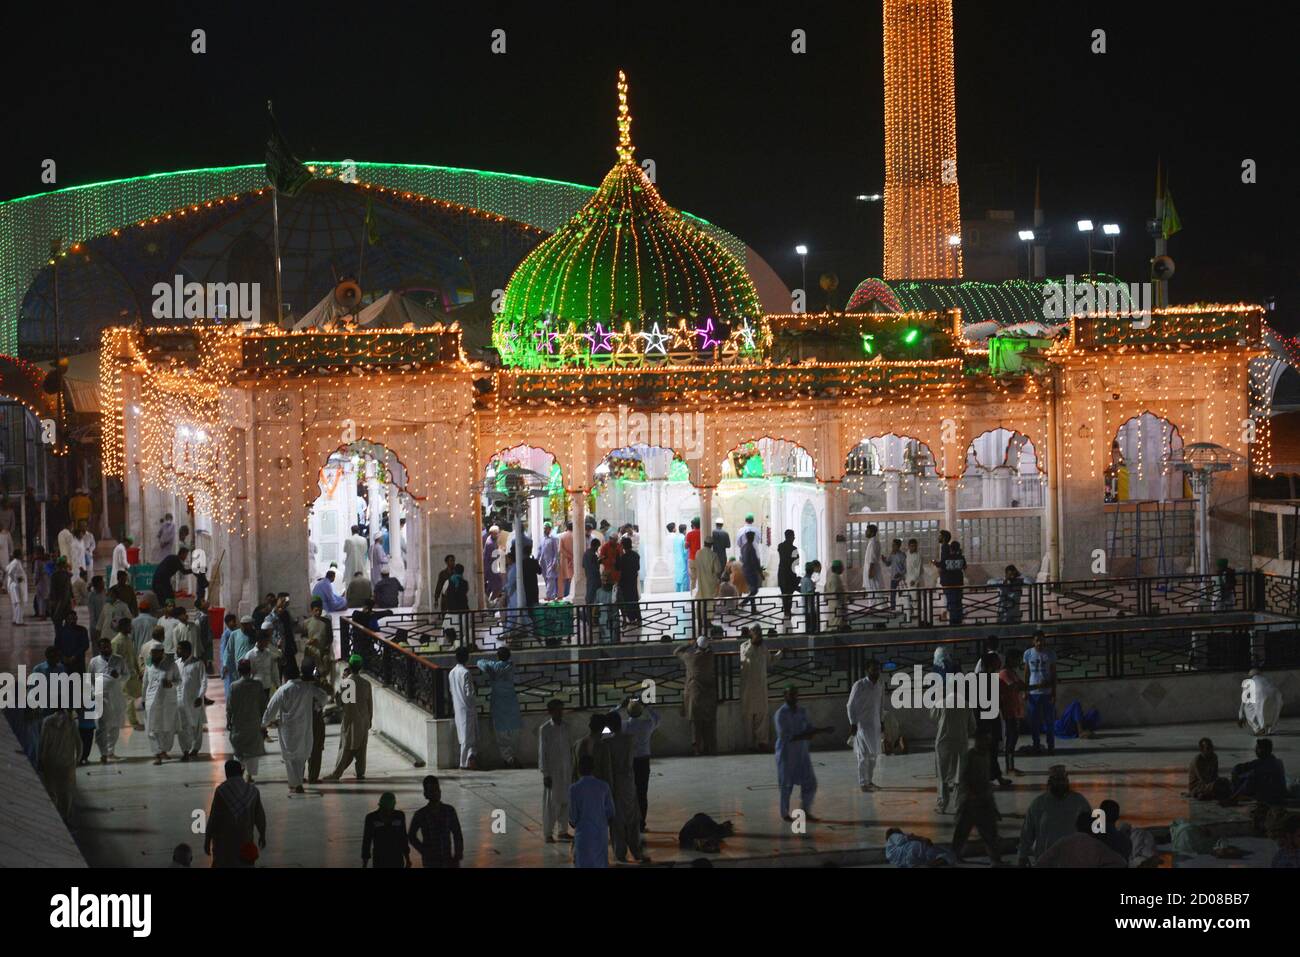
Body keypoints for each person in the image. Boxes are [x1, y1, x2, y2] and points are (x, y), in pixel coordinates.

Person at [262, 658, 329, 793]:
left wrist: (264, 723)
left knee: (290, 757)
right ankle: (297, 783)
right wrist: (317, 706)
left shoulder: (283, 690)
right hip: (305, 727)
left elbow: (270, 709)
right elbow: (323, 697)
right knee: (301, 755)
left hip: (288, 729)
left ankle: (296, 784)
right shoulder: (307, 687)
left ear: (285, 676)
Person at [775, 686, 831, 821]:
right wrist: (807, 735)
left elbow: (808, 728)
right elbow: (786, 736)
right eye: (791, 694)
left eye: (795, 695)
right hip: (786, 754)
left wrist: (822, 730)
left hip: (802, 753)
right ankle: (785, 813)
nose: (794, 697)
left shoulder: (802, 711)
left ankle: (805, 810)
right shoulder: (781, 714)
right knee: (786, 784)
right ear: (785, 695)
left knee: (810, 782)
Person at [1017, 765, 1092, 865]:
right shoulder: (1039, 804)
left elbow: (1091, 829)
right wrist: (1022, 855)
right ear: (1050, 781)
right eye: (1057, 780)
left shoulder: (1079, 802)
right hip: (1047, 860)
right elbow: (1027, 832)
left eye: (1063, 779)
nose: (1061, 783)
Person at [950, 728, 1002, 864]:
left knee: (990, 832)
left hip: (984, 799)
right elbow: (964, 778)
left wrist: (991, 802)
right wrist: (970, 795)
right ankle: (954, 855)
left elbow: (985, 779)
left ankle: (995, 860)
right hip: (971, 801)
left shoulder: (986, 755)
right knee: (962, 831)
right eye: (984, 740)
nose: (987, 743)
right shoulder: (970, 756)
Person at [603, 711, 647, 862]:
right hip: (629, 782)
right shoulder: (630, 739)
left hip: (616, 783)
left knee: (618, 821)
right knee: (632, 818)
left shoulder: (607, 743)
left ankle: (620, 853)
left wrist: (605, 728)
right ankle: (636, 850)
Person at [205, 759, 267, 867]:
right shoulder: (252, 791)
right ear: (241, 772)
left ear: (227, 773)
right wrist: (262, 834)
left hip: (224, 843)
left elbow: (214, 818)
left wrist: (207, 839)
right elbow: (260, 817)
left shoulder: (222, 791)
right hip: (245, 840)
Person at [931, 673, 977, 813]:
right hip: (960, 743)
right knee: (959, 775)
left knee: (942, 775)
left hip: (943, 743)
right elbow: (973, 727)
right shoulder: (967, 705)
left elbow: (933, 718)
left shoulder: (940, 703)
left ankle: (942, 805)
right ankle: (959, 806)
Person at [326, 655, 373, 781]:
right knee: (362, 749)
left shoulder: (346, 683)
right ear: (360, 667)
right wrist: (370, 720)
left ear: (350, 667)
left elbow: (341, 703)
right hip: (363, 720)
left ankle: (336, 774)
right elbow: (370, 704)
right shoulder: (366, 684)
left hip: (350, 720)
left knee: (346, 747)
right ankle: (360, 772)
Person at [477, 646, 522, 767]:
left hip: (498, 702)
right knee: (512, 730)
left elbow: (480, 662)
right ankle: (511, 757)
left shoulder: (494, 666)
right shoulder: (512, 666)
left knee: (501, 732)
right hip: (511, 701)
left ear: (498, 657)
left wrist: (491, 666)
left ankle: (508, 758)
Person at [620, 698, 660, 832]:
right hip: (643, 762)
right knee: (642, 793)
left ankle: (629, 822)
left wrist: (618, 707)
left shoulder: (625, 726)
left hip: (629, 762)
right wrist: (647, 706)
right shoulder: (647, 724)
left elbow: (608, 722)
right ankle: (641, 823)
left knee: (630, 793)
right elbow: (657, 718)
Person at [569, 753, 616, 868]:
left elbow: (573, 818)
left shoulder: (574, 789)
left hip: (583, 835)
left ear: (579, 769)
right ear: (593, 768)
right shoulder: (604, 786)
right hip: (601, 834)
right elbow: (611, 812)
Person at [1034, 811, 1127, 868]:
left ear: (1076, 826)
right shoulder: (1097, 845)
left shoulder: (1063, 842)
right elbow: (1120, 863)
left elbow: (1041, 863)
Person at [408, 775, 464, 867]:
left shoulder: (449, 811)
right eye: (432, 790)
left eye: (437, 789)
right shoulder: (421, 814)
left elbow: (457, 833)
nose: (436, 793)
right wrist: (424, 851)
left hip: (447, 860)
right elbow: (411, 836)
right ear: (425, 794)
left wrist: (458, 854)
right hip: (431, 863)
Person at [847, 659, 885, 791]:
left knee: (874, 756)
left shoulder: (880, 684)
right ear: (867, 670)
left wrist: (882, 721)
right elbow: (850, 705)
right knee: (863, 756)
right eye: (873, 669)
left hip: (875, 725)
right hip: (861, 726)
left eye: (877, 669)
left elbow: (881, 705)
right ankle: (863, 783)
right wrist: (852, 723)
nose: (876, 672)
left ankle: (869, 781)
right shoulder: (859, 685)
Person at [675, 635, 717, 755]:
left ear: (696, 646)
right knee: (707, 722)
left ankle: (696, 748)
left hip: (694, 694)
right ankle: (709, 747)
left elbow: (676, 651)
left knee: (695, 722)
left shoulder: (689, 657)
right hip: (708, 694)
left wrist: (689, 644)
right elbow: (711, 649)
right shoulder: (709, 657)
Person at [539, 699, 573, 843]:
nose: (560, 713)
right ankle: (548, 833)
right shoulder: (545, 729)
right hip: (552, 772)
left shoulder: (566, 727)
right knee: (552, 803)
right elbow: (542, 752)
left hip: (566, 770)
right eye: (557, 710)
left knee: (566, 801)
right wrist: (545, 773)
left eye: (561, 710)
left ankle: (563, 831)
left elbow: (569, 749)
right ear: (550, 712)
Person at [739, 627, 780, 751]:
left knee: (762, 715)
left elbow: (770, 661)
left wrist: (780, 653)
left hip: (761, 687)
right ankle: (749, 744)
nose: (759, 636)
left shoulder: (763, 647)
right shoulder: (744, 646)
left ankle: (762, 742)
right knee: (748, 716)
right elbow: (746, 656)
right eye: (757, 633)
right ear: (751, 634)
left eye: (760, 634)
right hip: (748, 688)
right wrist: (753, 643)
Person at [227, 660, 267, 781]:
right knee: (252, 751)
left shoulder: (234, 686)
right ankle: (249, 775)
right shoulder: (257, 685)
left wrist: (228, 720)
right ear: (250, 671)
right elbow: (263, 705)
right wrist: (263, 723)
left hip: (238, 723)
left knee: (239, 750)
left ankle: (240, 771)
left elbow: (230, 706)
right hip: (254, 722)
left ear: (238, 671)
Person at [37, 708, 81, 820]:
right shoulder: (72, 722)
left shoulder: (47, 721)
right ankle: (66, 819)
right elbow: (79, 744)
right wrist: (77, 760)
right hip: (67, 764)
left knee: (52, 793)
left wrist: (41, 760)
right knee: (66, 794)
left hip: (50, 763)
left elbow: (43, 743)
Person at [143, 645, 181, 764]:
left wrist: (171, 684)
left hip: (167, 701)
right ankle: (157, 753)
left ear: (162, 652)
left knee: (167, 727)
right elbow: (144, 683)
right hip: (151, 701)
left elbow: (179, 680)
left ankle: (164, 750)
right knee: (152, 728)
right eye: (152, 653)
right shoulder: (148, 665)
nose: (153, 655)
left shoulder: (171, 665)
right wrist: (144, 699)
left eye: (156, 652)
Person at [1023, 631, 1057, 754]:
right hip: (1033, 692)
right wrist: (1026, 690)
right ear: (1033, 641)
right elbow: (1026, 673)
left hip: (1047, 692)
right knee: (1034, 721)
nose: (1039, 643)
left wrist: (1054, 692)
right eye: (1037, 640)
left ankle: (1051, 745)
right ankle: (1036, 744)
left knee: (1049, 721)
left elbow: (1053, 674)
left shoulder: (1050, 654)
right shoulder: (1028, 653)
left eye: (1042, 640)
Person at [1229, 738, 1288, 805]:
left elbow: (1251, 776)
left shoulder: (1270, 765)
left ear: (1263, 750)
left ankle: (1234, 795)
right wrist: (1237, 770)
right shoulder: (1271, 760)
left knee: (1248, 779)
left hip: (1273, 796)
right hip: (1276, 792)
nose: (1255, 750)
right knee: (1242, 774)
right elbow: (1245, 766)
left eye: (1257, 748)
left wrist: (1233, 797)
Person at [175, 639, 208, 760]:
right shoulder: (176, 664)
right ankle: (185, 750)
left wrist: (200, 696)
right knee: (182, 727)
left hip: (194, 700)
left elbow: (203, 681)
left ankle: (195, 748)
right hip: (179, 701)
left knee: (196, 726)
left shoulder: (198, 663)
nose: (177, 651)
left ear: (187, 650)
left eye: (179, 649)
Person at [362, 792, 410, 868]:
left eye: (389, 810)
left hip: (397, 858)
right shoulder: (371, 818)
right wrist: (364, 864)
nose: (387, 812)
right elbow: (367, 841)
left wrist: (408, 859)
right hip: (379, 859)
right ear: (380, 806)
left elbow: (403, 838)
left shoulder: (399, 816)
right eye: (384, 810)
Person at [449, 645, 478, 770]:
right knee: (468, 737)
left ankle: (470, 760)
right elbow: (469, 693)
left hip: (458, 707)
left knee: (464, 736)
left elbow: (451, 690)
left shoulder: (452, 672)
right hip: (467, 708)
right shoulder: (465, 673)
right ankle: (464, 763)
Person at [999, 651, 1026, 777]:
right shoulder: (1004, 673)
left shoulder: (1013, 672)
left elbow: (1022, 685)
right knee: (1011, 738)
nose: (1018, 662)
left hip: (1015, 709)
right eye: (1017, 659)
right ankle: (1009, 768)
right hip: (1009, 710)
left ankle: (1011, 766)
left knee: (1014, 738)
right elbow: (1015, 687)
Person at [1239, 669, 1283, 735]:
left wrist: (1241, 716)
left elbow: (1244, 701)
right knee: (1273, 711)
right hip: (1277, 696)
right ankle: (1270, 729)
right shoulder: (1266, 679)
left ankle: (1258, 728)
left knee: (1247, 707)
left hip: (1261, 695)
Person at [938, 540, 966, 624]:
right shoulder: (961, 557)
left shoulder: (946, 558)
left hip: (949, 583)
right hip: (959, 583)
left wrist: (935, 563)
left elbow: (941, 566)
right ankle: (959, 619)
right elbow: (964, 567)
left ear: (950, 548)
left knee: (951, 602)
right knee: (958, 602)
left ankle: (953, 621)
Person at [615, 537, 641, 624]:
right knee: (634, 599)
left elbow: (617, 567)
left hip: (625, 582)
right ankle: (638, 617)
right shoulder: (636, 555)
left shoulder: (623, 557)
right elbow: (637, 567)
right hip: (633, 580)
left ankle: (631, 618)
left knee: (627, 600)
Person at [863, 523, 887, 594]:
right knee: (874, 594)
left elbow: (872, 559)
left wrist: (870, 572)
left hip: (872, 572)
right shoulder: (872, 542)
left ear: (872, 533)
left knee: (874, 595)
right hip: (871, 571)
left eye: (867, 531)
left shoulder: (873, 543)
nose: (866, 532)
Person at [538, 522, 558, 601]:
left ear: (549, 529)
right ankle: (550, 594)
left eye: (546, 528)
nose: (545, 529)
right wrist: (536, 559)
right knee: (546, 578)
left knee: (550, 578)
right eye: (544, 528)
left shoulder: (553, 539)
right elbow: (539, 550)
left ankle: (549, 595)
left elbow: (556, 552)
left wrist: (554, 562)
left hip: (551, 561)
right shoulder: (542, 539)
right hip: (543, 562)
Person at [800, 560, 821, 634]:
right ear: (811, 571)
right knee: (812, 628)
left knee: (808, 627)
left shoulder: (803, 580)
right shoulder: (809, 581)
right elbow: (810, 593)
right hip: (810, 609)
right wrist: (814, 590)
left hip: (806, 608)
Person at [6, 547, 25, 625]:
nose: (23, 555)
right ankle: (19, 621)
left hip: (14, 585)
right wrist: (16, 579)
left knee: (15, 603)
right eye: (21, 554)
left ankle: (15, 619)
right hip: (16, 585)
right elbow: (10, 572)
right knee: (19, 602)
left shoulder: (15, 562)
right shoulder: (16, 562)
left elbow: (7, 569)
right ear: (19, 555)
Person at [582, 536, 601, 605]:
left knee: (589, 593)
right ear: (595, 546)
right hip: (594, 577)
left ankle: (588, 609)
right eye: (597, 547)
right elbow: (595, 567)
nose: (597, 549)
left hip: (589, 576)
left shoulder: (586, 553)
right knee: (593, 595)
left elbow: (583, 565)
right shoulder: (593, 555)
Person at [685, 517, 702, 590]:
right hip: (701, 559)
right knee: (701, 579)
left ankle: (693, 597)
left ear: (693, 525)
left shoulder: (689, 534)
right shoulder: (703, 532)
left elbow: (686, 546)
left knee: (693, 579)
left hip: (692, 558)